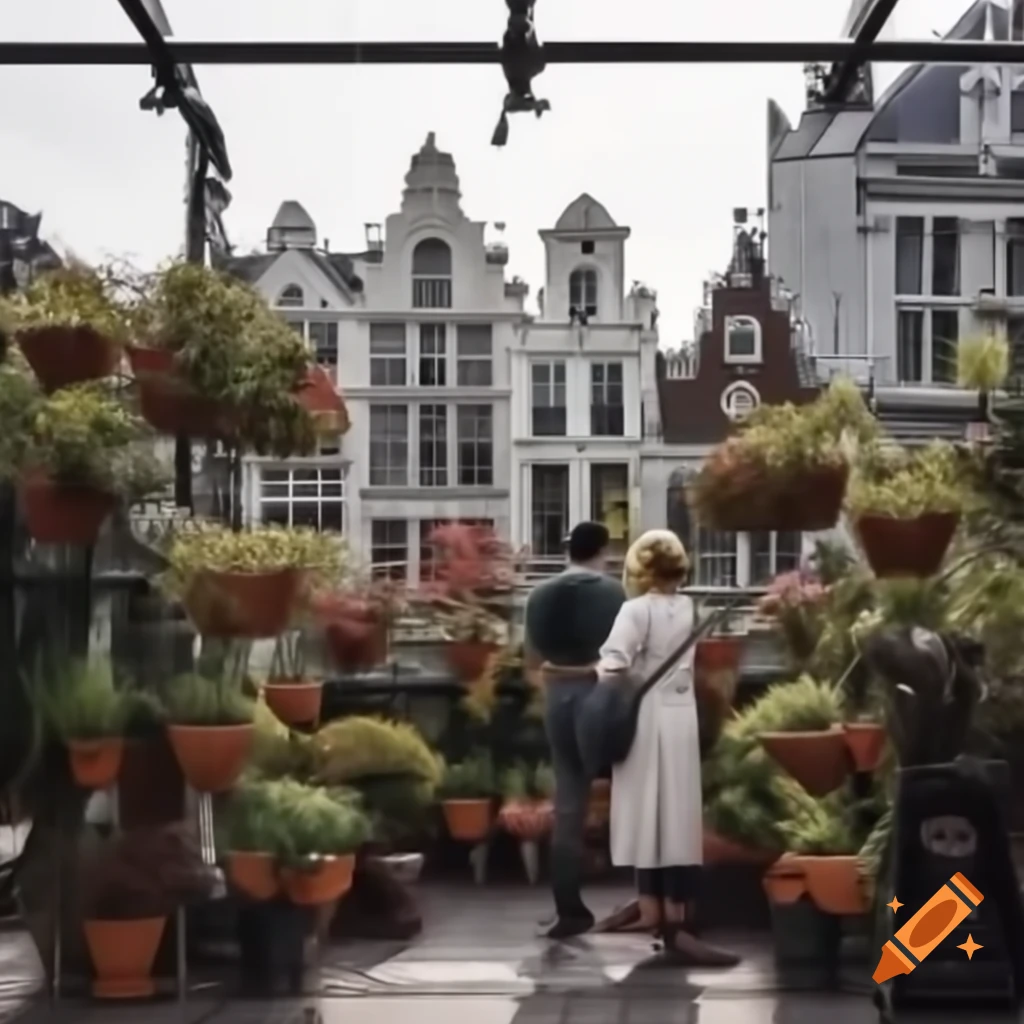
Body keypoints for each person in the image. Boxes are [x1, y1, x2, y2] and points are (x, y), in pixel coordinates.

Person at [595, 529, 739, 966]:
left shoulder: (635, 610)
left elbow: (612, 665)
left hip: (646, 719)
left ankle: (652, 911)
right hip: (681, 717)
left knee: (645, 817)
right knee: (676, 817)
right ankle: (675, 915)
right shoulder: (687, 606)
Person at [525, 521, 625, 938]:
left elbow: (530, 660)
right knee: (637, 793)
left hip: (558, 696)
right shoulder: (613, 593)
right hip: (600, 696)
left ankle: (570, 911)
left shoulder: (538, 595)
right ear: (601, 549)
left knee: (568, 805)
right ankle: (655, 903)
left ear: (569, 550)